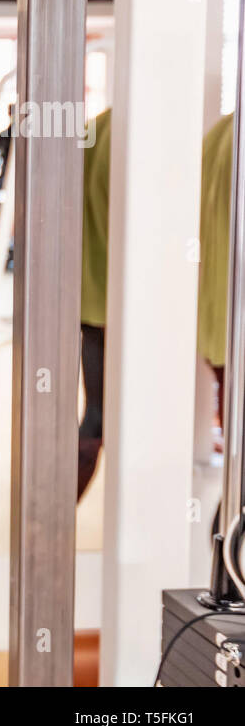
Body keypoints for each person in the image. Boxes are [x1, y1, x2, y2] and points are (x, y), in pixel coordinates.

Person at [77, 110, 233, 501]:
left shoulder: (96, 129)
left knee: (98, 417)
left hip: (97, 301)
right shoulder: (146, 134)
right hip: (135, 307)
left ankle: (49, 529)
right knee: (132, 428)